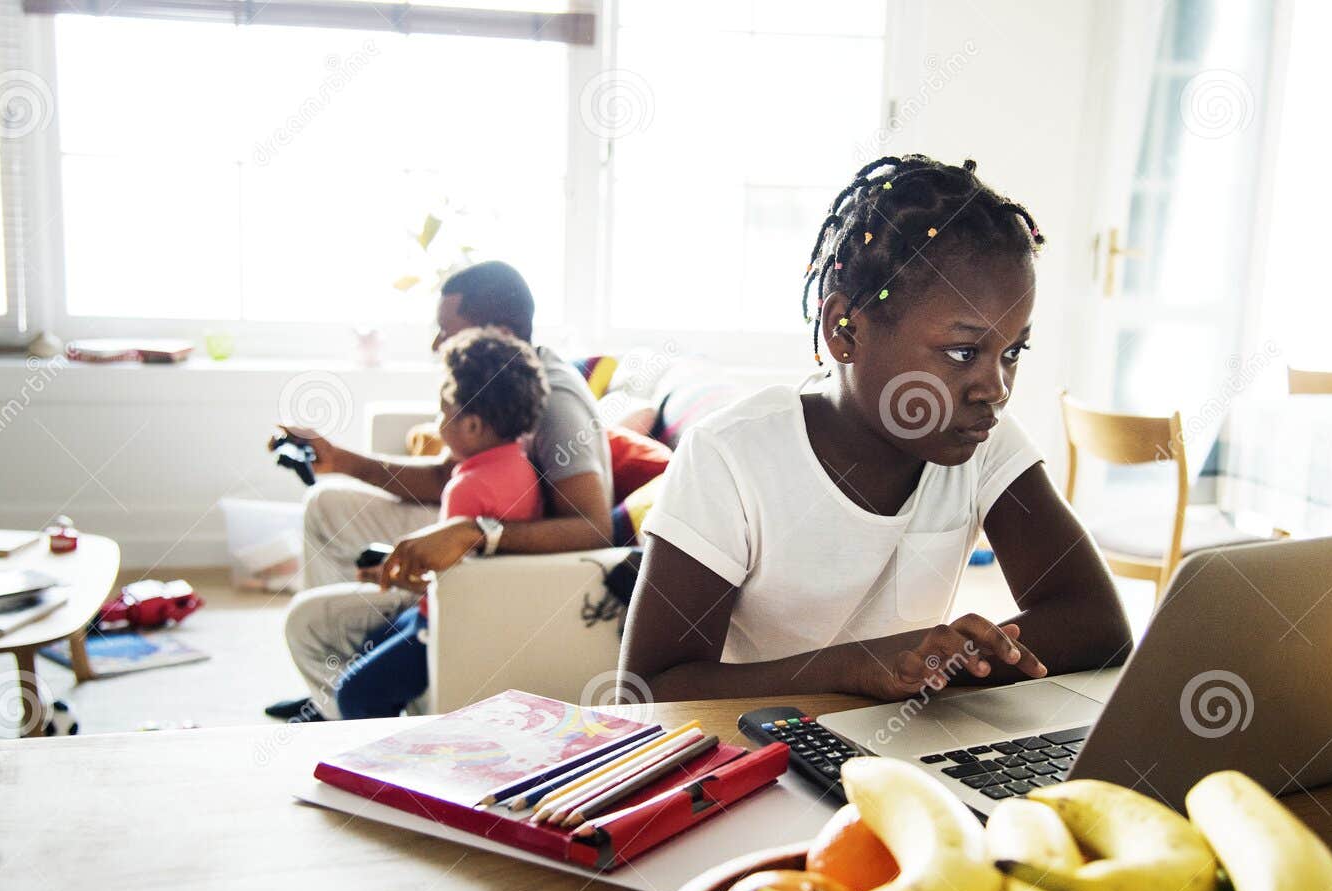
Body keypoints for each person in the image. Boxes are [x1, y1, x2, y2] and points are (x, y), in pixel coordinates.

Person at [620, 155, 1132, 703]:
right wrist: (855, 668)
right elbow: (649, 689)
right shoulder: (731, 457)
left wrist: (947, 662)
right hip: (758, 762)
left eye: (1012, 352)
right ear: (846, 330)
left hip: (898, 754)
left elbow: (1098, 624)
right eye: (963, 351)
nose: (996, 388)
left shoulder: (982, 441)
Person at [272, 261, 612, 721]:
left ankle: (344, 696)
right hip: (481, 523)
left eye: (446, 330)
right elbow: (446, 476)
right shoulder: (502, 382)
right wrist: (340, 460)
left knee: (315, 626)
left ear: (503, 331)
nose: (436, 344)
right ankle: (340, 686)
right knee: (325, 502)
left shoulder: (556, 401)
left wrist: (475, 533)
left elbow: (595, 528)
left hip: (505, 555)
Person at [331, 328, 547, 718]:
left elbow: (445, 581)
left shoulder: (466, 488)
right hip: (476, 611)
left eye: (443, 411)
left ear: (474, 426)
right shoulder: (523, 467)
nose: (438, 421)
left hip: (445, 626)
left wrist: (394, 573)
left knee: (354, 693)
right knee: (371, 638)